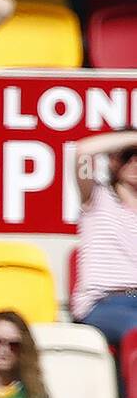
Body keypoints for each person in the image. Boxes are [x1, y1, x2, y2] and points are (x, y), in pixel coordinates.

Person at [72, 129, 137, 351]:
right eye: (128, 155)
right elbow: (83, 151)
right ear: (112, 160)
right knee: (134, 327)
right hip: (103, 303)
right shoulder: (96, 197)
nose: (135, 162)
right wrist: (133, 138)